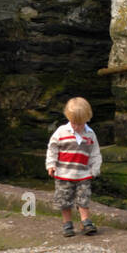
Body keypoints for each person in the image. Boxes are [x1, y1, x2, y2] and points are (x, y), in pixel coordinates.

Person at [45, 96, 102, 236]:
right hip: (63, 173)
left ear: (87, 119)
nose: (77, 127)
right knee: (64, 200)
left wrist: (95, 168)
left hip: (83, 173)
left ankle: (85, 221)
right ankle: (67, 223)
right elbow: (52, 149)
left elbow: (95, 152)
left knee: (84, 198)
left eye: (80, 123)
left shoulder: (90, 134)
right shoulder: (60, 132)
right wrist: (51, 164)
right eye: (74, 123)